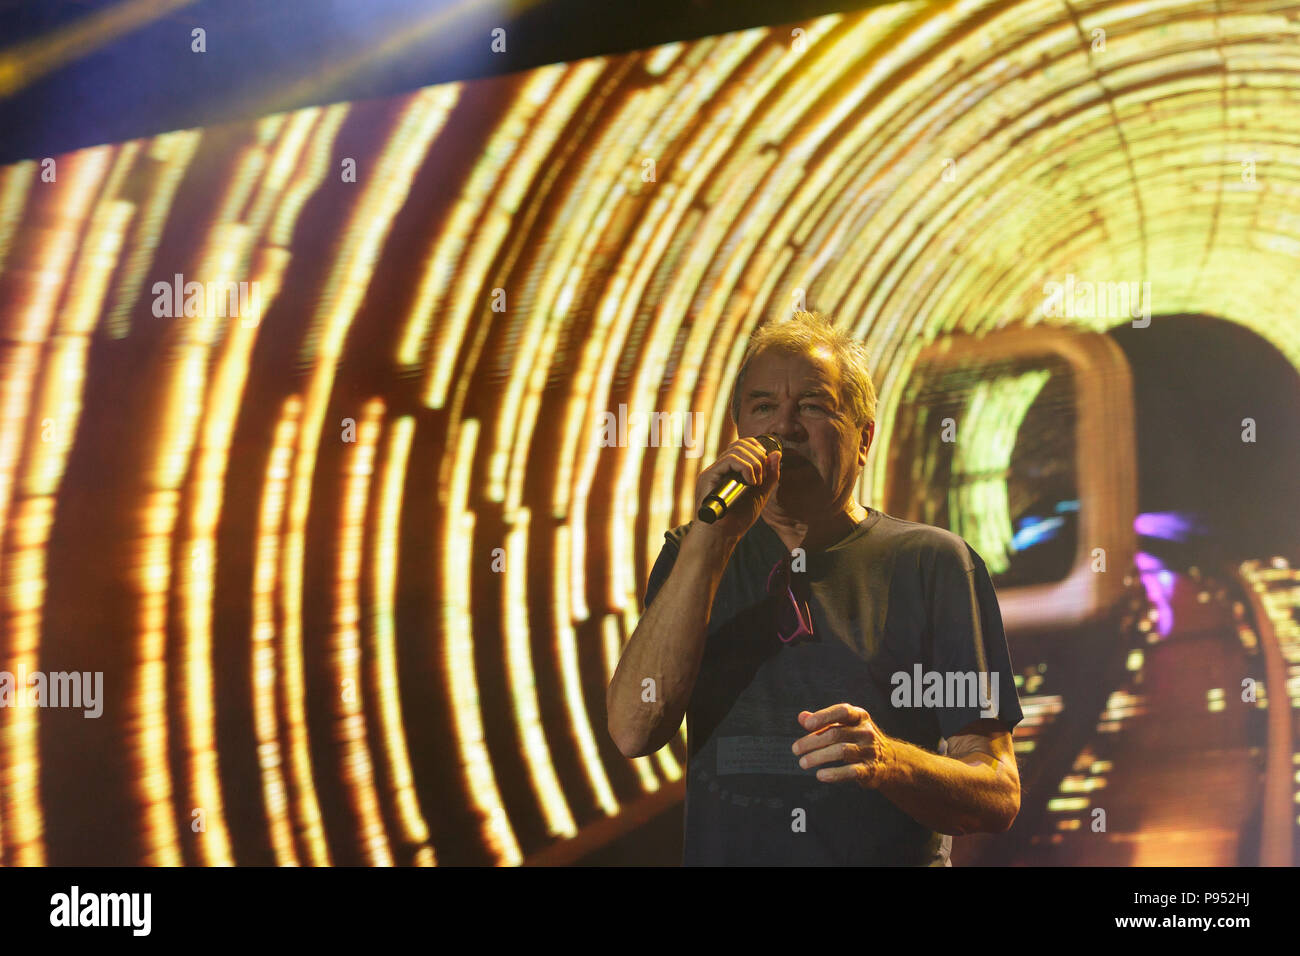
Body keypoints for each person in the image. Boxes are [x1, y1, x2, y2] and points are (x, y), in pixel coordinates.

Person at [606, 311, 1024, 865]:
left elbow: (996, 794)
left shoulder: (931, 564)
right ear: (739, 431)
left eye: (812, 406)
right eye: (763, 408)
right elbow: (634, 732)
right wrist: (709, 544)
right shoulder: (695, 553)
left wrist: (889, 762)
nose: (784, 428)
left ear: (864, 439)